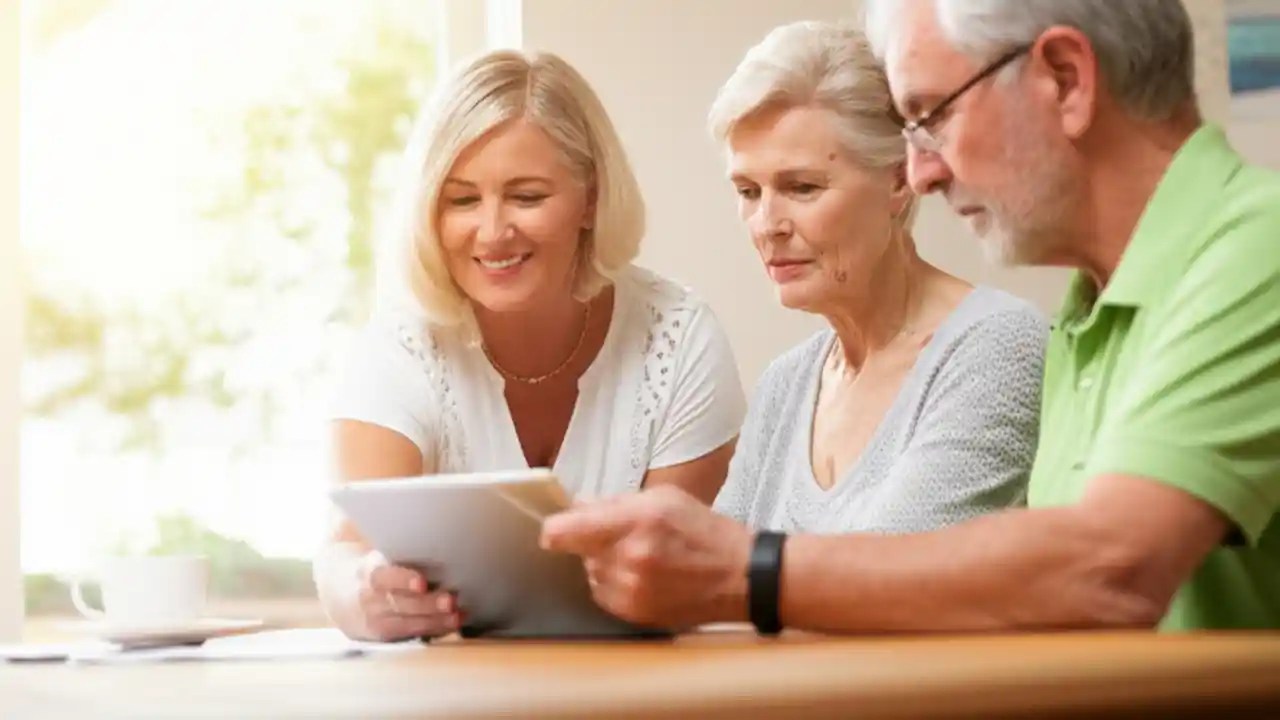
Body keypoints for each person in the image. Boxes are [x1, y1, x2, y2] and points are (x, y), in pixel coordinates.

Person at [542, 0, 1280, 633]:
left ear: (1066, 80)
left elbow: (1112, 570)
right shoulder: (1090, 316)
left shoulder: (1260, 247)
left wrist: (743, 570)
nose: (924, 171)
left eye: (932, 116)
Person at [318, 49, 747, 642]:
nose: (493, 232)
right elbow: (345, 552)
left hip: (633, 690)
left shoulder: (678, 339)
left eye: (526, 196)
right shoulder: (401, 343)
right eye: (462, 200)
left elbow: (668, 581)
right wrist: (360, 596)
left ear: (590, 199)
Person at [707, 21, 1045, 535]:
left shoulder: (997, 347)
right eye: (748, 191)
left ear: (898, 179)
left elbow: (893, 578)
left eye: (801, 187)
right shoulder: (786, 384)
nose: (767, 226)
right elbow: (708, 583)